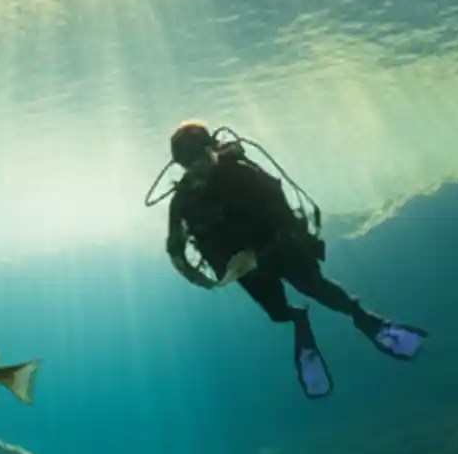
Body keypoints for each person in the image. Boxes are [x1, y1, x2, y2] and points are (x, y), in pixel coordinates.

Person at [161, 120, 426, 398]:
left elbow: (279, 204)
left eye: (198, 158)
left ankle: (364, 318)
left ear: (211, 149)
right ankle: (299, 320)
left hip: (280, 249)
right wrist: (202, 279)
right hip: (244, 270)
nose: (196, 168)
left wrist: (289, 242)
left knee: (316, 287)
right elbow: (175, 247)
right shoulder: (182, 201)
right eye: (188, 163)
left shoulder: (242, 174)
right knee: (277, 312)